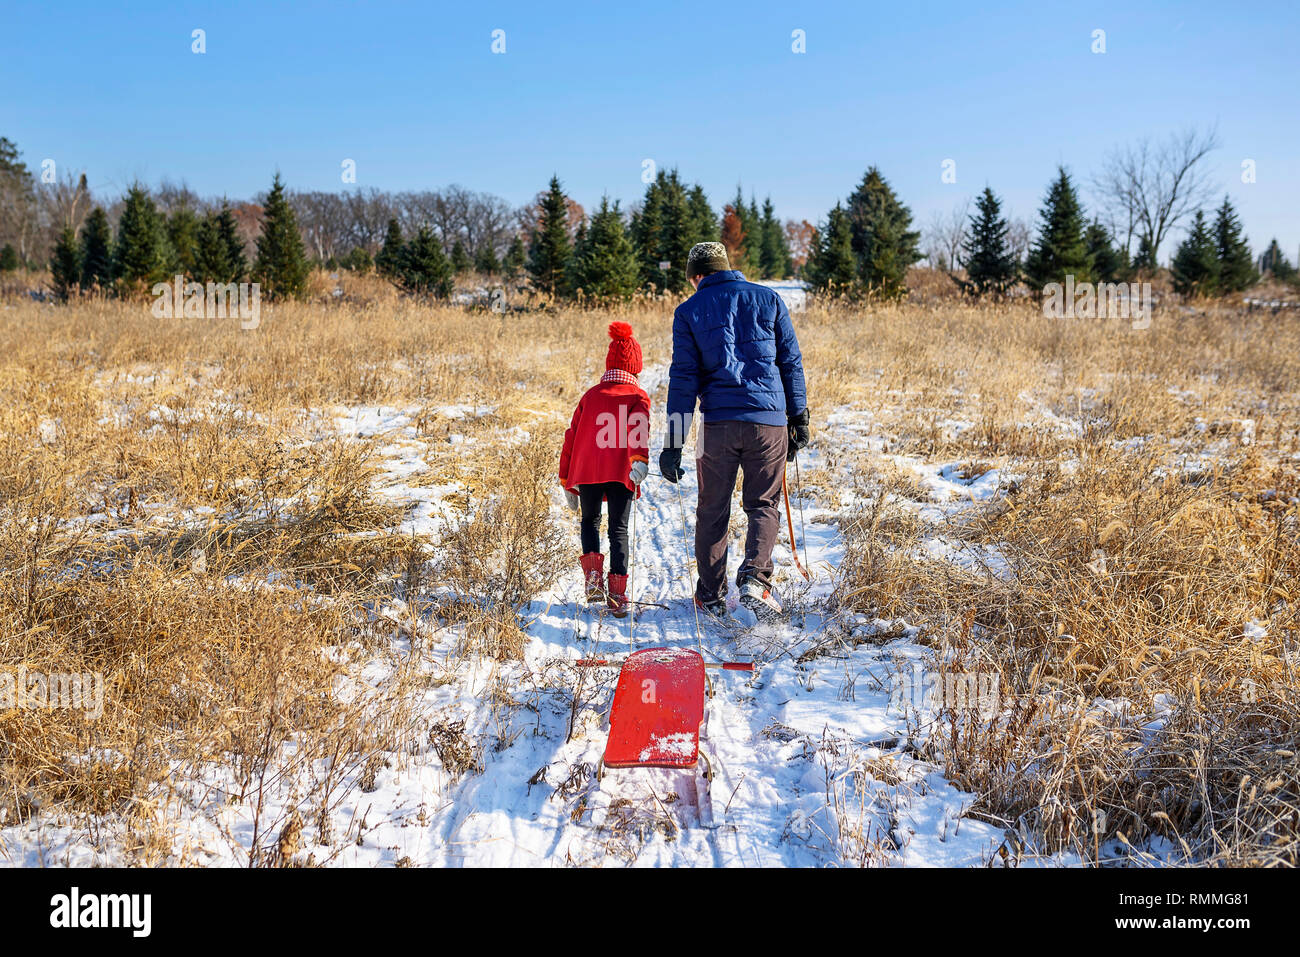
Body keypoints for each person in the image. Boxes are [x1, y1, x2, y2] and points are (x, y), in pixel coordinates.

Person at [658, 243, 810, 619]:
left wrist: (674, 441)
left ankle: (710, 594)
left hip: (716, 425)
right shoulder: (770, 299)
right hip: (768, 421)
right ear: (727, 267)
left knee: (712, 509)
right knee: (763, 504)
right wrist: (798, 418)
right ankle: (755, 580)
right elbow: (789, 361)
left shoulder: (689, 311)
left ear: (696, 276)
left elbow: (683, 379)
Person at [558, 321, 651, 617]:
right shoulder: (638, 397)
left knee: (590, 521)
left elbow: (571, 436)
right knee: (618, 529)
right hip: (622, 472)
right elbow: (640, 430)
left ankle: (593, 581)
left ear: (609, 363)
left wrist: (566, 479)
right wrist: (639, 461)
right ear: (635, 367)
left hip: (587, 472)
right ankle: (618, 595)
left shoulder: (590, 396)